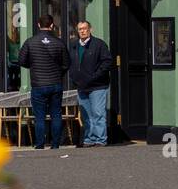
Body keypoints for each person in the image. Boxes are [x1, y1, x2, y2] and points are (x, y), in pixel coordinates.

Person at [19, 14, 71, 150]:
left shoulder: (30, 42)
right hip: (55, 83)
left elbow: (21, 60)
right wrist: (58, 74)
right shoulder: (59, 42)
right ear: (52, 25)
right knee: (56, 115)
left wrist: (34, 66)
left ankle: (40, 144)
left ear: (38, 24)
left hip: (38, 84)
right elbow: (66, 63)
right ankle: (55, 144)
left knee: (40, 116)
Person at [69, 21, 113, 147]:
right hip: (81, 86)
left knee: (98, 113)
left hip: (98, 86)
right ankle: (89, 139)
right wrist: (74, 77)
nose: (82, 31)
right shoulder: (73, 45)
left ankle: (100, 139)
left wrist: (95, 76)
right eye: (80, 29)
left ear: (90, 29)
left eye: (85, 28)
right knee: (86, 115)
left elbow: (107, 62)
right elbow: (71, 63)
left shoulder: (99, 44)